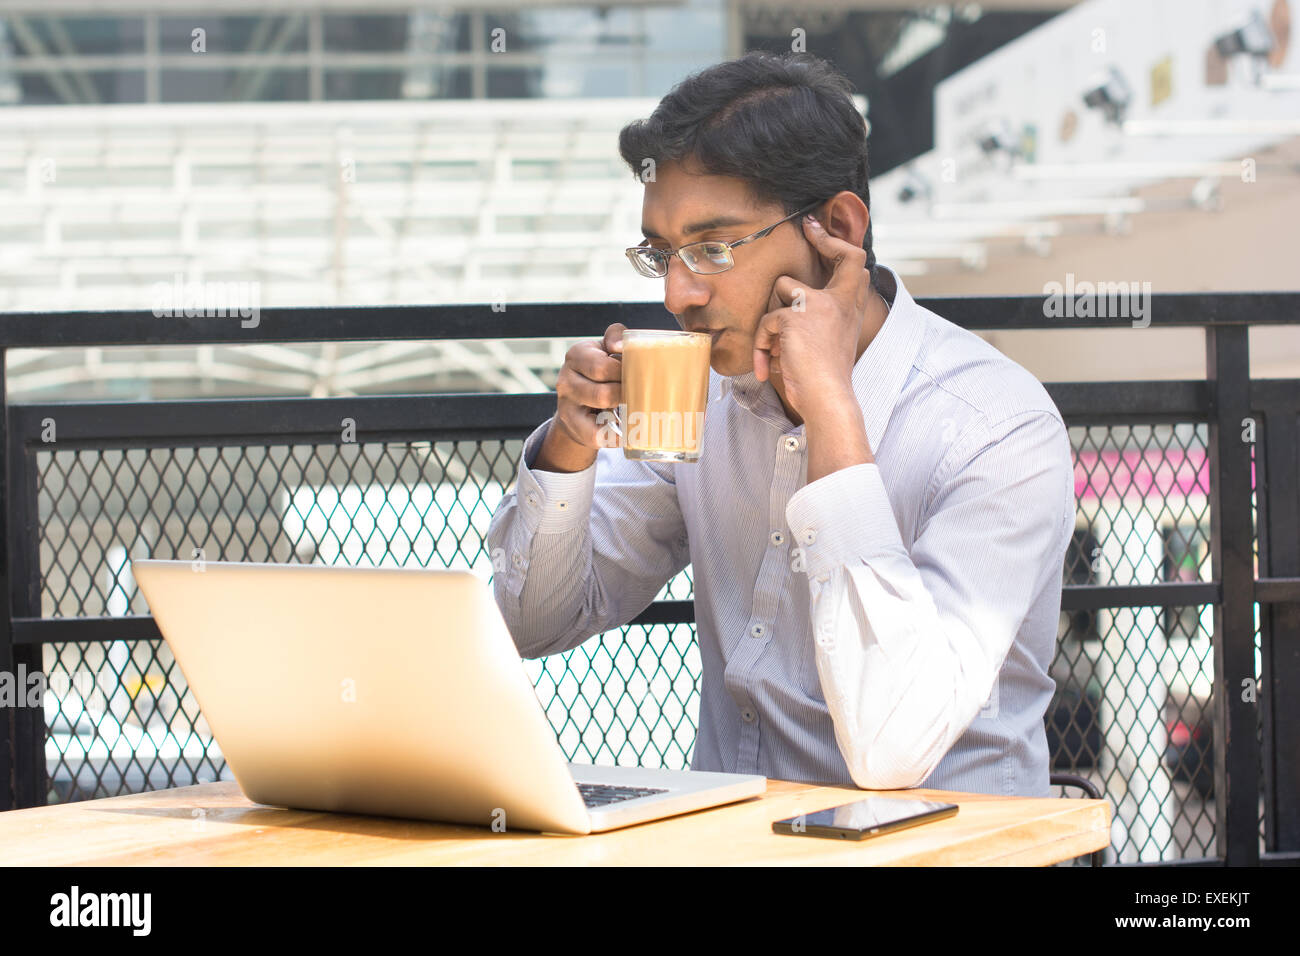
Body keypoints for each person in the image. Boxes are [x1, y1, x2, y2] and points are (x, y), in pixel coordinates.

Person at [485, 51, 1075, 797]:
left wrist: (831, 411)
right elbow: (534, 622)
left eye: (712, 249)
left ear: (837, 227)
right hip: (734, 838)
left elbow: (895, 747)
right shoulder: (703, 394)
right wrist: (571, 446)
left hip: (943, 841)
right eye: (662, 255)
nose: (676, 294)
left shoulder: (996, 427)